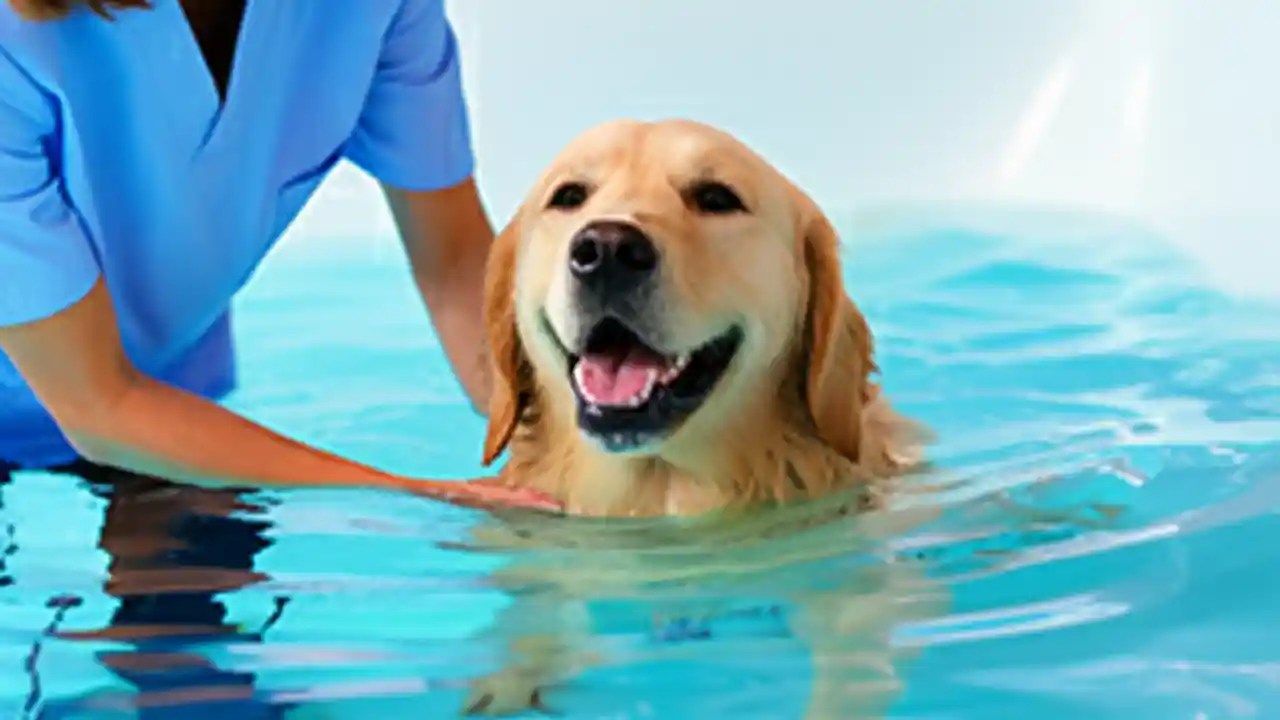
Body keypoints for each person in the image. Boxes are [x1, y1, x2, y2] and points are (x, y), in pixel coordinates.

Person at [0, 0, 555, 511]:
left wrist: (562, 442)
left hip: (168, 388)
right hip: (101, 393)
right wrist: (421, 494)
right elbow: (97, 404)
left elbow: (454, 262)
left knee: (184, 606)